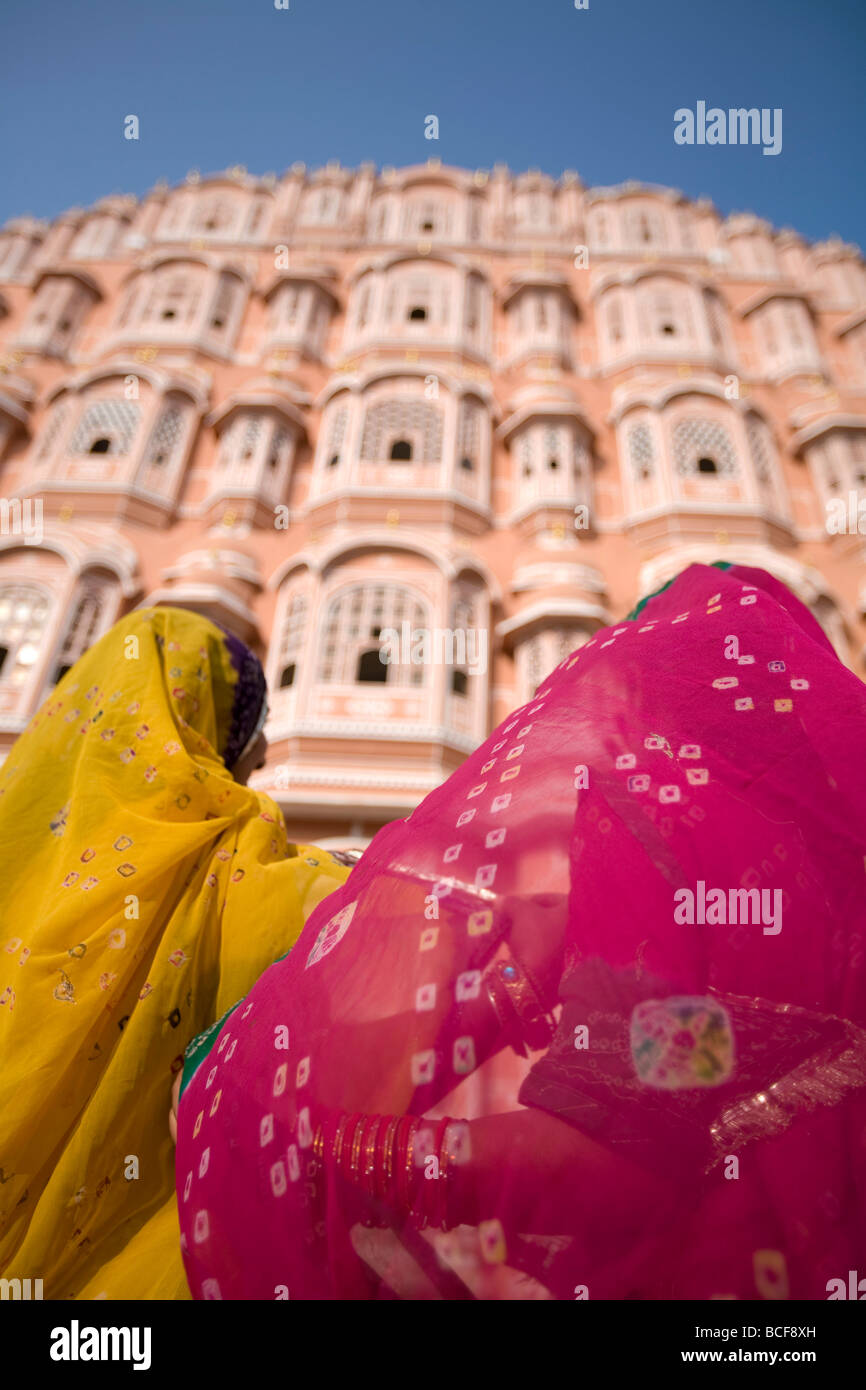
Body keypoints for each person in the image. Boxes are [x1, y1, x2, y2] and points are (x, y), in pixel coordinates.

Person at [175, 563, 866, 1300]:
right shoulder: (822, 856)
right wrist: (515, 991)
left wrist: (341, 1149)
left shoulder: (663, 834)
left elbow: (617, 1146)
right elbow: (692, 1057)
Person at [0, 605, 350, 1299]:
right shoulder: (235, 866)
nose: (264, 747)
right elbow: (370, 925)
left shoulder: (21, 844)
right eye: (253, 723)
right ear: (205, 722)